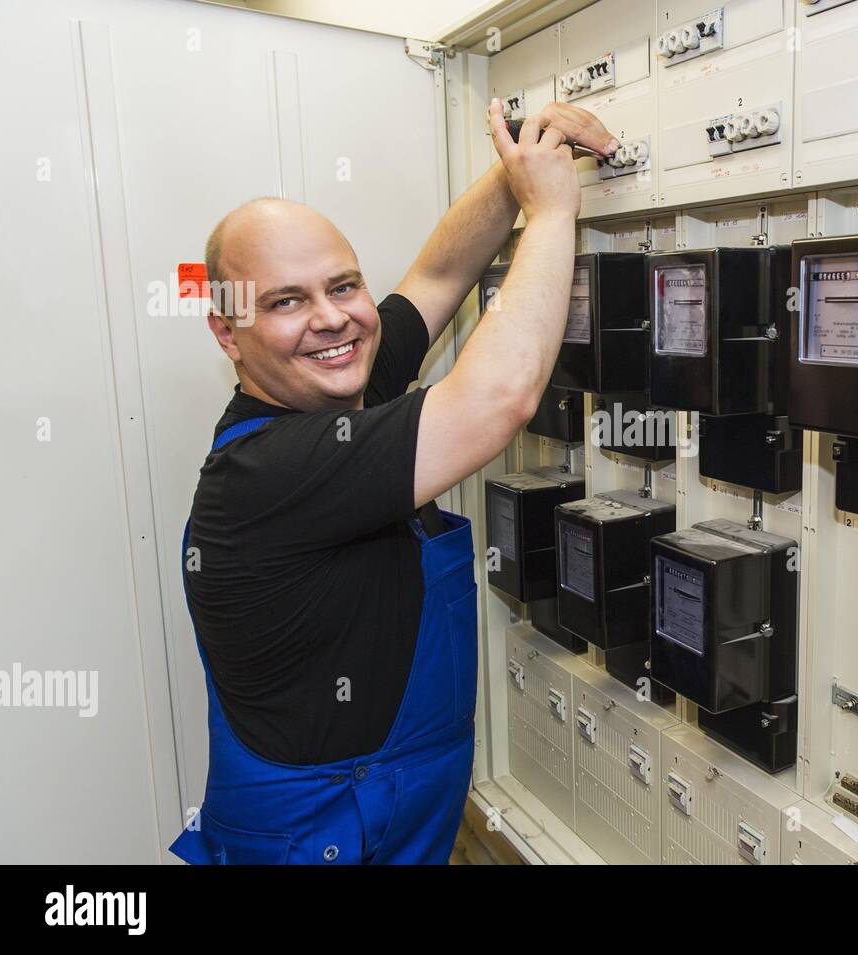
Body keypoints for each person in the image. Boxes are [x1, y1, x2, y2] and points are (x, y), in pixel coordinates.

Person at [169, 99, 615, 864]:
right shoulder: (267, 471)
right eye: (286, 302)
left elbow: (440, 273)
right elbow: (498, 399)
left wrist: (518, 168)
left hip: (391, 813)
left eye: (343, 287)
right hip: (320, 833)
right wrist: (549, 214)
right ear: (227, 331)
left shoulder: (342, 393)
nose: (333, 319)